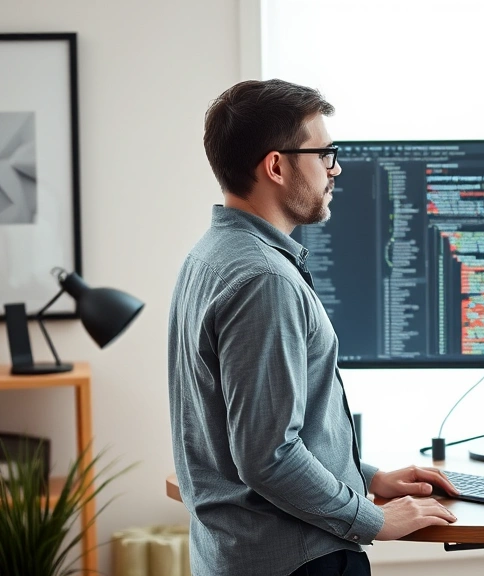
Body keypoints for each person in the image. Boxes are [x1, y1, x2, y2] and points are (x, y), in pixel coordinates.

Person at [167, 79, 459, 576]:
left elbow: (256, 433)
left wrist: (367, 477)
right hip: (297, 562)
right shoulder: (264, 279)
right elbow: (268, 457)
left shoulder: (208, 257)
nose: (335, 168)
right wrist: (371, 518)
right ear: (276, 166)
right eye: (324, 154)